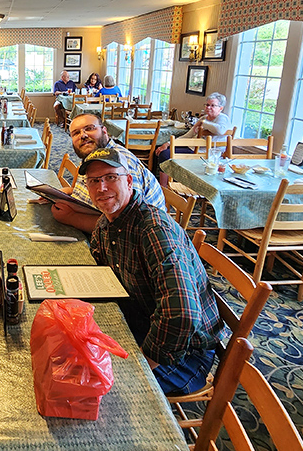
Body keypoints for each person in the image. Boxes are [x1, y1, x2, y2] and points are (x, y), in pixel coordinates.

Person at [81, 146, 223, 396]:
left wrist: (143, 365)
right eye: (94, 181)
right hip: (142, 320)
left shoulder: (154, 229)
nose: (102, 188)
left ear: (129, 181)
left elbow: (182, 315)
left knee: (90, 385)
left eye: (110, 178)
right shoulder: (106, 223)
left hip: (185, 355)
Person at [51, 110, 165, 233]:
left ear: (104, 131)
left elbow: (124, 226)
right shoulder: (93, 156)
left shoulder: (121, 164)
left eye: (89, 128)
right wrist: (62, 194)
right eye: (76, 133)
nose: (83, 135)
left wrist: (71, 218)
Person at [155, 92, 231, 187]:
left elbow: (220, 130)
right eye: (207, 105)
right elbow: (188, 135)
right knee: (161, 149)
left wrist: (203, 123)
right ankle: (164, 184)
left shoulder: (222, 118)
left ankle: (164, 186)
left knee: (165, 154)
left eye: (213, 105)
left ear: (221, 108)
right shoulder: (204, 118)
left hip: (204, 153)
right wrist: (168, 143)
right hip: (192, 148)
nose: (208, 108)